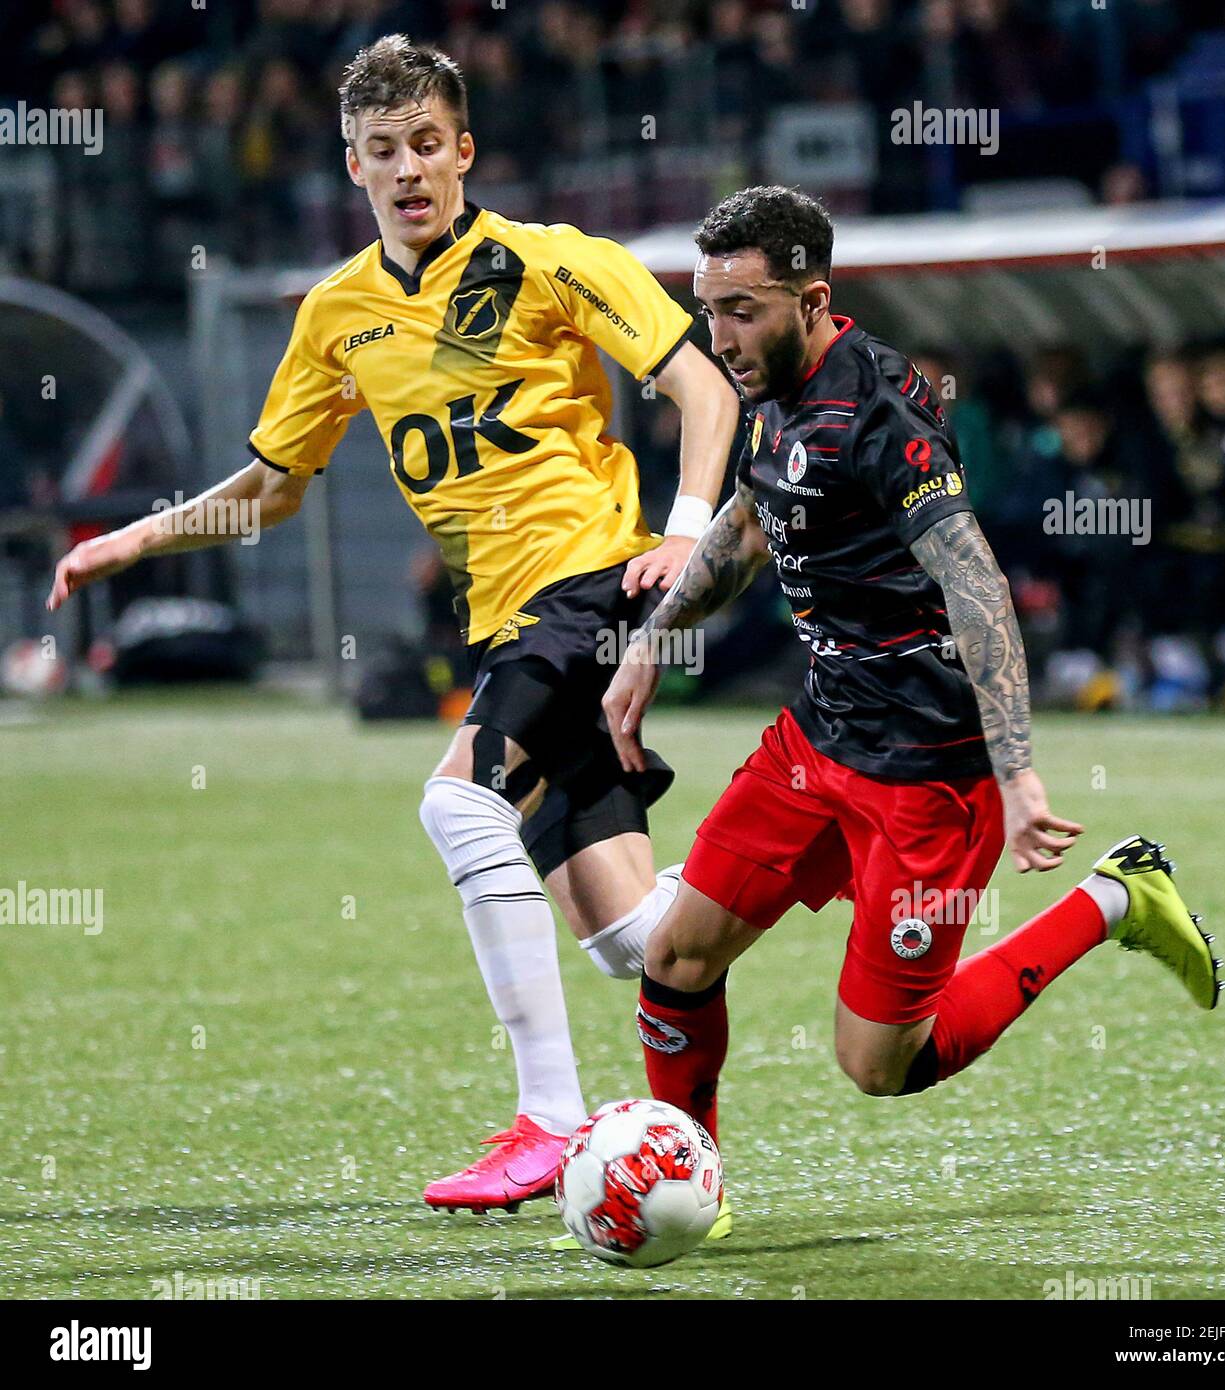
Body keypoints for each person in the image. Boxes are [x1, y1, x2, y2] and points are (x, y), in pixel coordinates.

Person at [46, 36, 740, 1215]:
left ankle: (550, 1122)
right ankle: (835, 842)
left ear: (464, 150)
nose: (410, 168)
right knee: (638, 934)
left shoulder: (550, 262)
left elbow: (704, 388)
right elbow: (271, 488)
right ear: (352, 166)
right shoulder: (338, 313)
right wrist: (134, 539)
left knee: (454, 798)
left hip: (583, 581)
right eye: (384, 151)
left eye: (428, 144)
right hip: (504, 618)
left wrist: (681, 529)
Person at [601, 185, 1221, 1157]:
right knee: (675, 952)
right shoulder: (770, 393)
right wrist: (650, 643)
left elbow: (975, 583)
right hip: (817, 735)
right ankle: (687, 1174)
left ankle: (1114, 898)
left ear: (811, 301)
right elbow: (755, 518)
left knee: (880, 1062)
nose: (717, 336)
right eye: (707, 308)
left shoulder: (880, 412)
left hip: (930, 772)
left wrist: (1015, 774)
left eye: (740, 309)